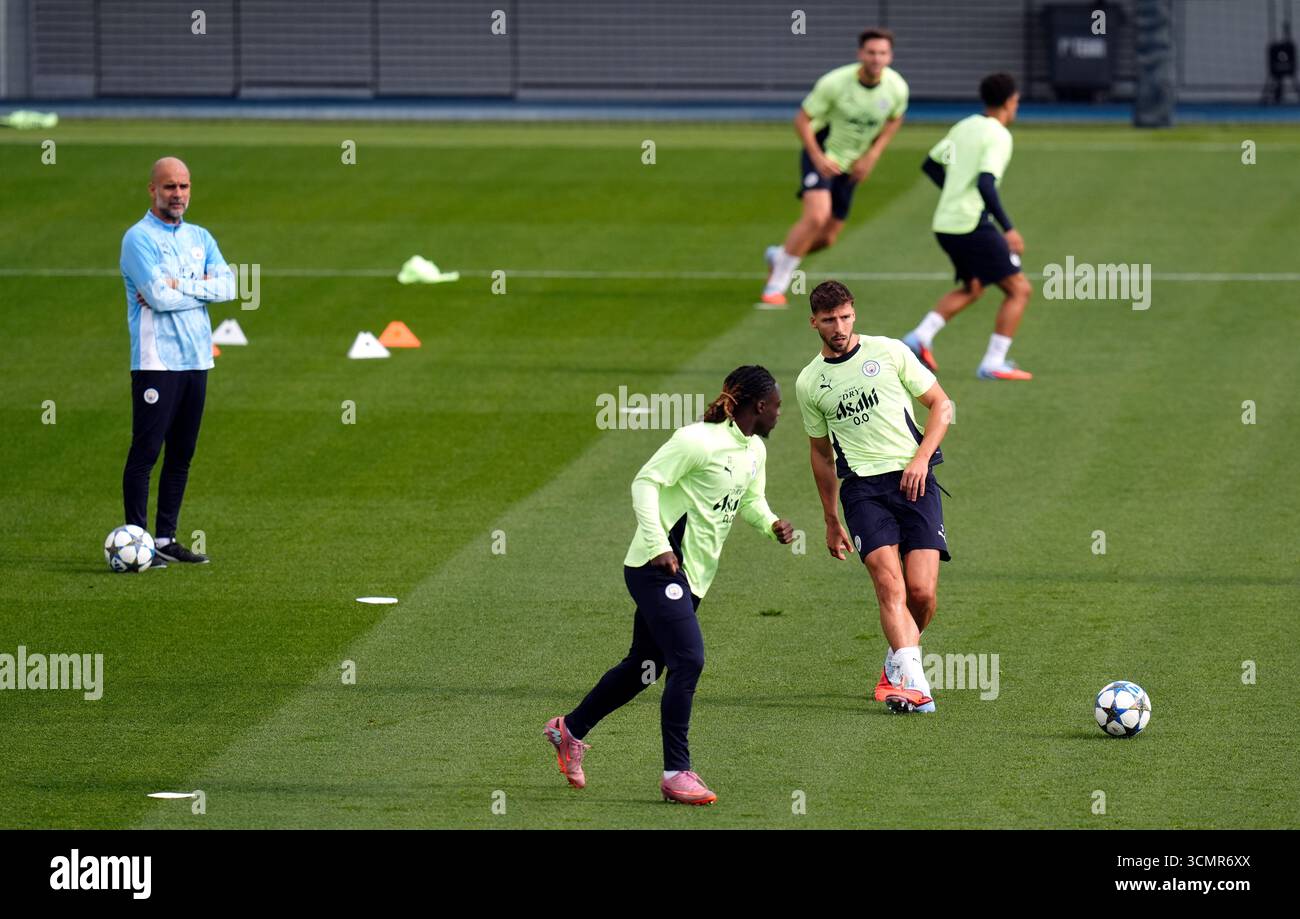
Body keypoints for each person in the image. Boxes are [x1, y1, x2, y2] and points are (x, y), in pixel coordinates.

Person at [544, 367, 795, 804]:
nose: (779, 414)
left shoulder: (754, 449)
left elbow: (750, 500)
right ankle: (677, 772)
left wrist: (771, 523)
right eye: (776, 406)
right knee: (689, 660)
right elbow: (645, 482)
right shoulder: (696, 440)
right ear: (759, 406)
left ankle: (569, 730)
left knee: (643, 667)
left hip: (693, 577)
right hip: (655, 567)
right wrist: (659, 543)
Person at [795, 281, 951, 712]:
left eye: (845, 317)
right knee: (889, 585)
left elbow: (942, 405)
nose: (839, 326)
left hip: (914, 480)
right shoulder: (810, 383)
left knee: (921, 594)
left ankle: (896, 665)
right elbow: (820, 454)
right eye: (829, 320)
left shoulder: (890, 352)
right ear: (814, 323)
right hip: (863, 491)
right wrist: (829, 518)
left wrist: (921, 459)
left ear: (854, 314)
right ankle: (916, 687)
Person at [119, 157, 236, 566]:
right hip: (157, 361)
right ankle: (137, 540)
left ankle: (166, 538)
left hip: (197, 359)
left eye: (184, 186)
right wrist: (195, 287)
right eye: (170, 187)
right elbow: (158, 298)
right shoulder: (138, 239)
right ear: (152, 189)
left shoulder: (200, 237)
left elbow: (228, 286)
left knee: (182, 453)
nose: (179, 195)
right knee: (146, 452)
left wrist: (176, 285)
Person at [760, 28, 909, 307]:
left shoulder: (897, 88)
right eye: (871, 52)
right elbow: (802, 120)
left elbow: (894, 119)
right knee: (816, 217)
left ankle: (780, 255)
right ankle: (775, 286)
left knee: (827, 237)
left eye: (882, 53)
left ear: (890, 56)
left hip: (854, 162)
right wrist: (816, 156)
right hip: (823, 153)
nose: (876, 58)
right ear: (860, 54)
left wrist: (872, 156)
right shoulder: (835, 83)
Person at [902, 72, 1034, 380]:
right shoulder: (999, 135)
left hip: (946, 224)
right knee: (1019, 289)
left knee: (973, 287)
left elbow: (931, 164)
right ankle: (993, 362)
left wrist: (954, 190)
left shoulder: (964, 126)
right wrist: (1009, 229)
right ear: (1010, 101)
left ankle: (919, 337)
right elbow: (987, 183)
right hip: (971, 223)